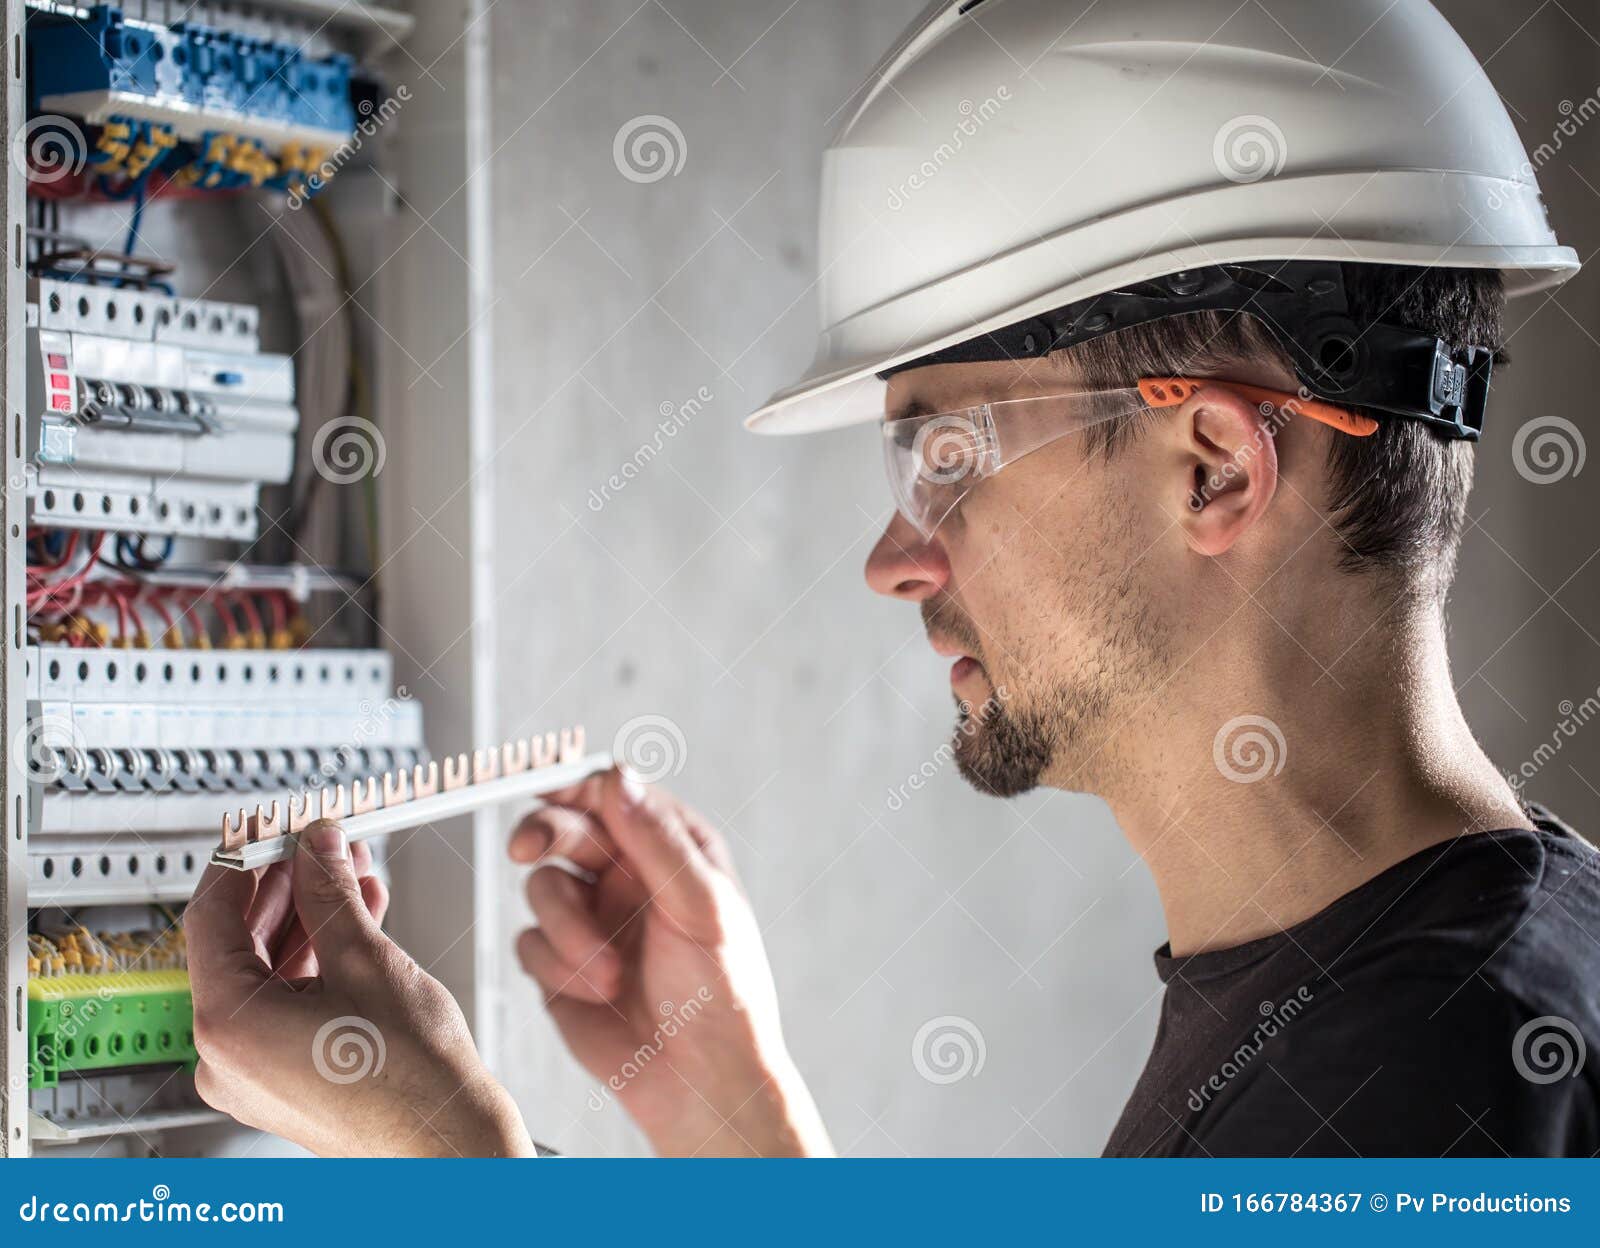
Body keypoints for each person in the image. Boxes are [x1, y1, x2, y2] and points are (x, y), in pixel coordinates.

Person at [185, 0, 1600, 1156]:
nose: (893, 558)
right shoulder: (1452, 1009)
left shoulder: (1419, 1099)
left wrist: (453, 1166)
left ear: (1212, 469)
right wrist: (739, 1129)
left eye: (948, 457)